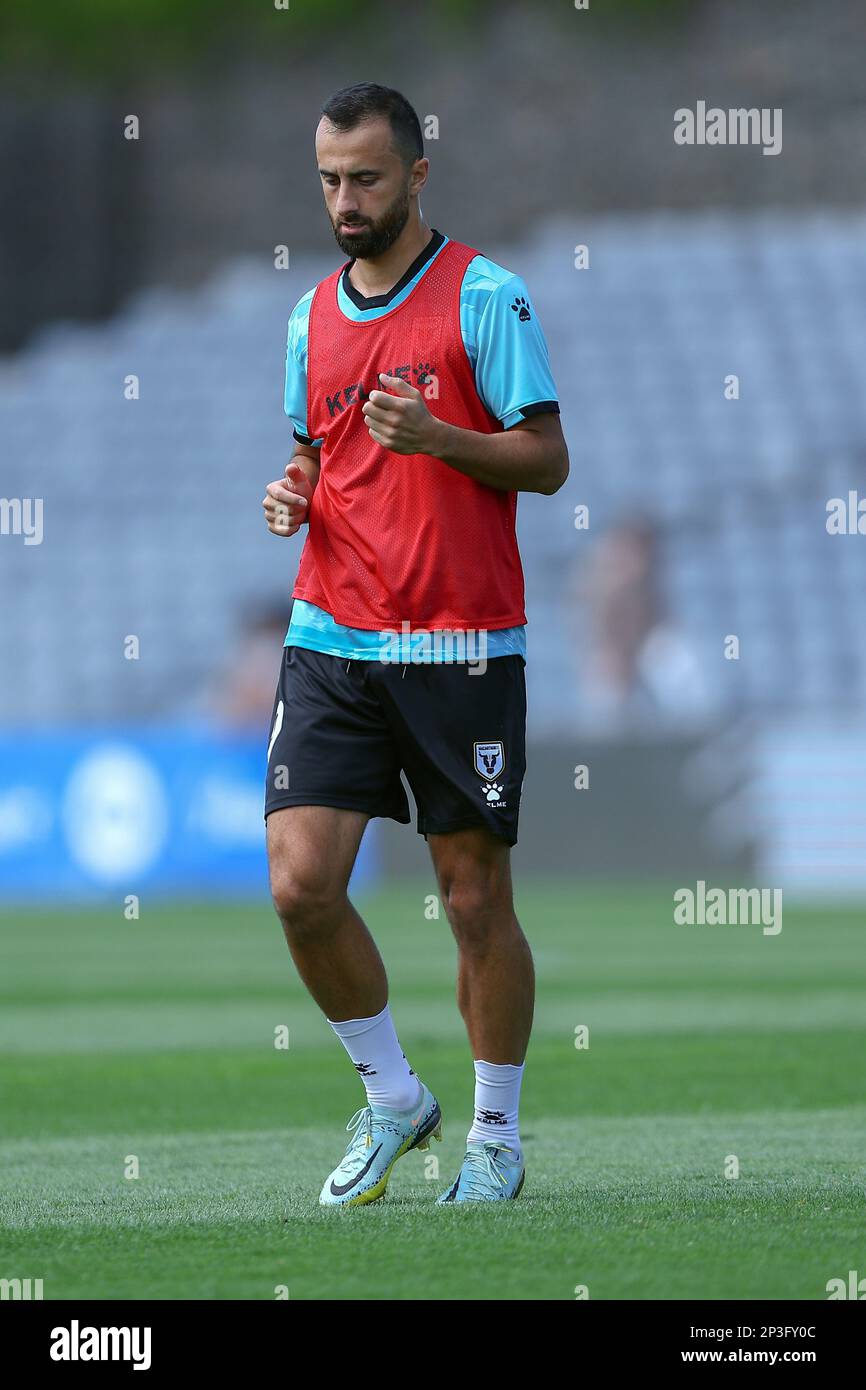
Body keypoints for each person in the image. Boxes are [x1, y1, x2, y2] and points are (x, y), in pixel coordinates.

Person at [261, 83, 568, 1206]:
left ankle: (494, 1136)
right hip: (331, 629)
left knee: (473, 900)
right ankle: (393, 1098)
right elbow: (316, 451)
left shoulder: (486, 297)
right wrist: (293, 491)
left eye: (366, 180)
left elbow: (546, 459)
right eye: (330, 180)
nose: (344, 201)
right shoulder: (306, 319)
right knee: (301, 886)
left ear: (417, 175)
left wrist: (441, 437)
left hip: (461, 642)